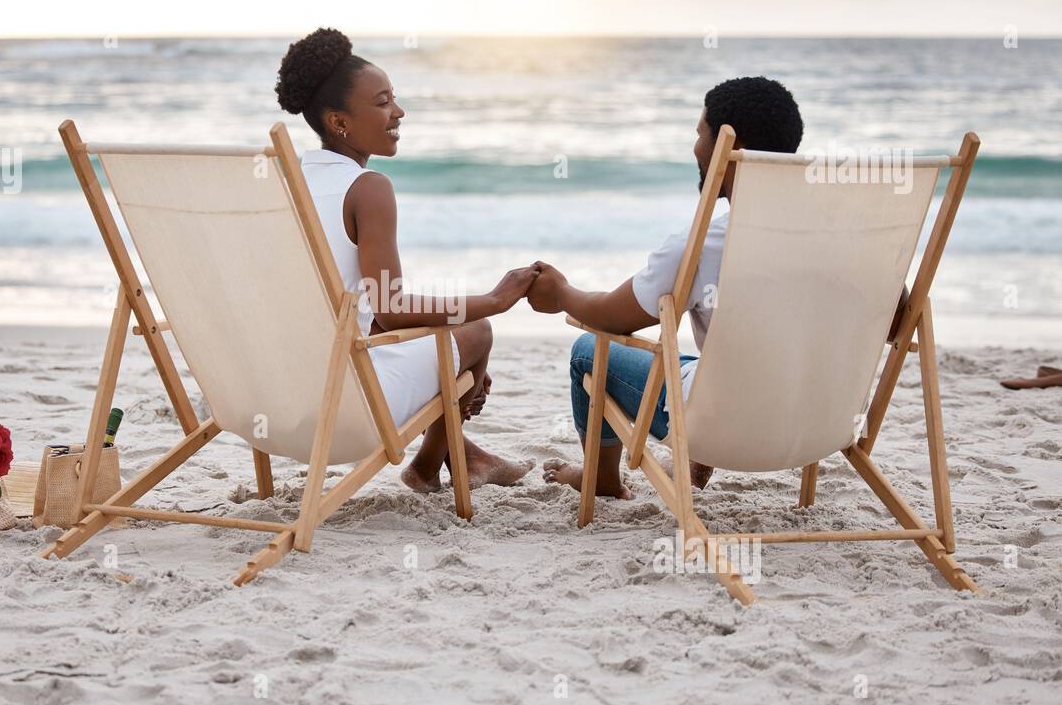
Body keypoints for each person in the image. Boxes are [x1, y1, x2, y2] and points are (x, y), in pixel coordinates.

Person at [275, 28, 536, 492]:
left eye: (394, 98)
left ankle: (467, 456)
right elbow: (391, 308)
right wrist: (493, 301)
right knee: (475, 331)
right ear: (339, 122)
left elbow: (334, 302)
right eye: (382, 102)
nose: (398, 112)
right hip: (341, 409)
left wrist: (450, 353)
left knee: (452, 340)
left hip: (270, 403)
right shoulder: (368, 188)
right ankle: (427, 467)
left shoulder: (283, 179)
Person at [527, 77, 806, 499]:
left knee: (589, 350)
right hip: (819, 422)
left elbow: (611, 317)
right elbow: (896, 321)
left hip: (727, 426)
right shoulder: (854, 237)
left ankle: (599, 479)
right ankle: (694, 461)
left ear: (731, 146)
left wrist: (561, 292)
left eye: (700, 134)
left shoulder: (701, 247)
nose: (695, 147)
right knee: (739, 353)